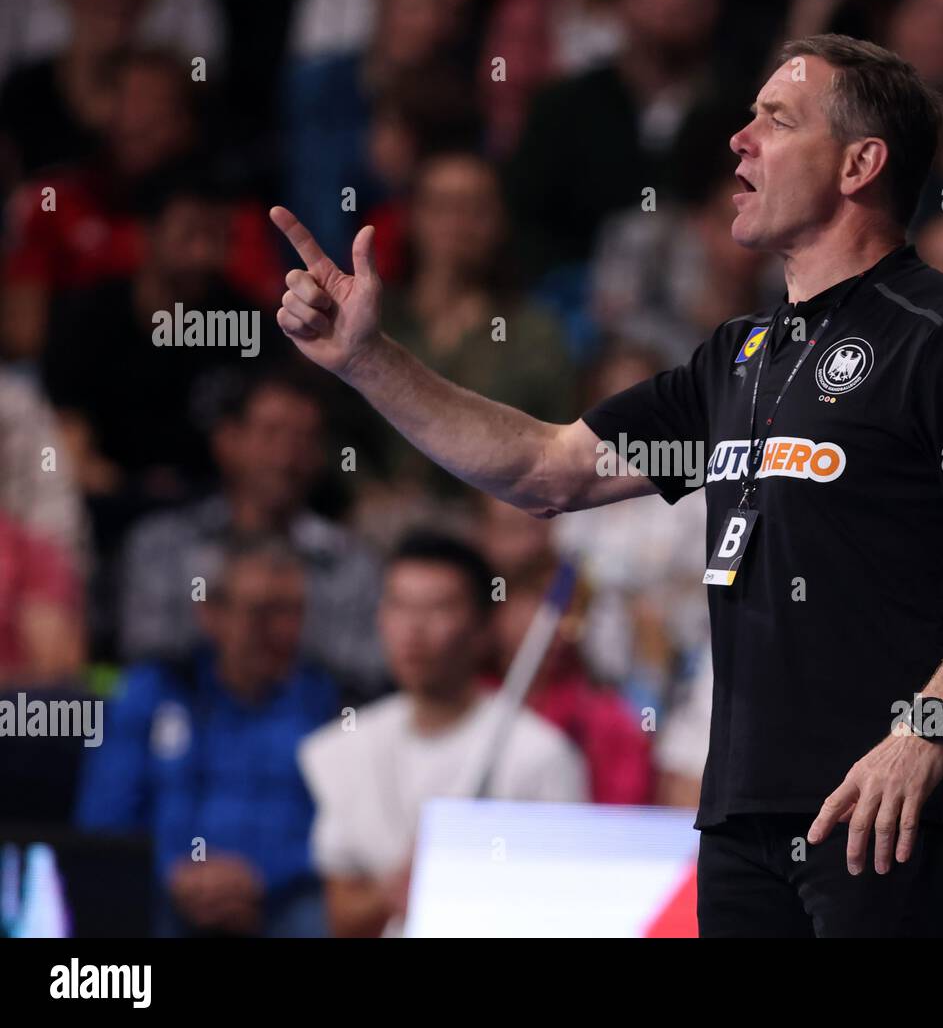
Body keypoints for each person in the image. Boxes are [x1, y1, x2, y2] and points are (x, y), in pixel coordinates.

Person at [270, 33, 943, 938]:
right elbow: (546, 469)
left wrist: (929, 730)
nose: (739, 140)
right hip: (741, 815)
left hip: (885, 814)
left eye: (776, 120)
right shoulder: (737, 359)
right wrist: (368, 363)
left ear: (861, 164)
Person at [297, 532, 588, 938]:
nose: (413, 630)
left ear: (483, 627)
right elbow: (342, 918)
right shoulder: (344, 748)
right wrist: (393, 892)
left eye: (438, 608)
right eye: (400, 605)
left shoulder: (541, 756)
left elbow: (565, 912)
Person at [76, 535, 338, 937]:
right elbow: (104, 818)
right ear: (211, 614)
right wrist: (177, 873)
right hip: (165, 892)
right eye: (262, 612)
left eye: (293, 612)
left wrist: (259, 877)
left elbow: (347, 832)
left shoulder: (329, 703)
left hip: (283, 896)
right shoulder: (153, 690)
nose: (281, 631)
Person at [118, 369, 385, 697]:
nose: (286, 458)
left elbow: (370, 672)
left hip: (314, 730)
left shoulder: (352, 562)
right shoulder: (161, 545)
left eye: (303, 439)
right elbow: (146, 651)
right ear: (227, 442)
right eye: (271, 435)